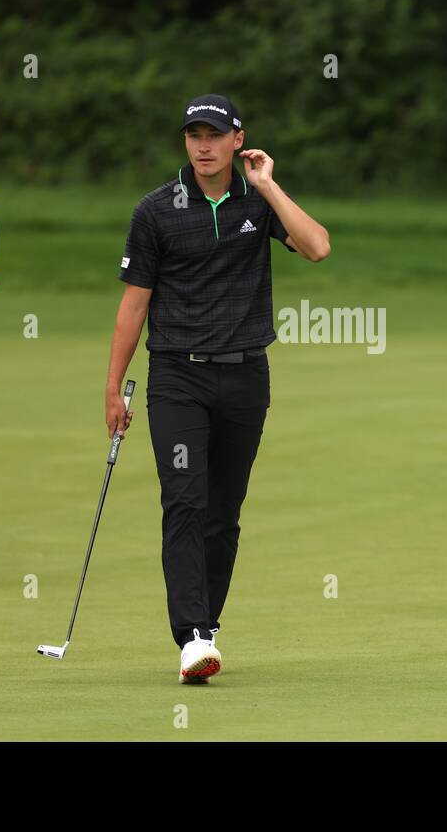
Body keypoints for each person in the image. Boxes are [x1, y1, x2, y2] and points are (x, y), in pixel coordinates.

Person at [105, 94, 330, 683]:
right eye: (193, 135)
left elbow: (317, 247)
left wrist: (270, 185)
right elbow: (133, 307)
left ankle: (208, 626)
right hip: (177, 376)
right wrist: (112, 391)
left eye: (213, 135)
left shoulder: (257, 200)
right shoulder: (156, 210)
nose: (202, 145)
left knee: (223, 514)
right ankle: (192, 636)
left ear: (238, 140)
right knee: (184, 501)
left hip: (246, 375)